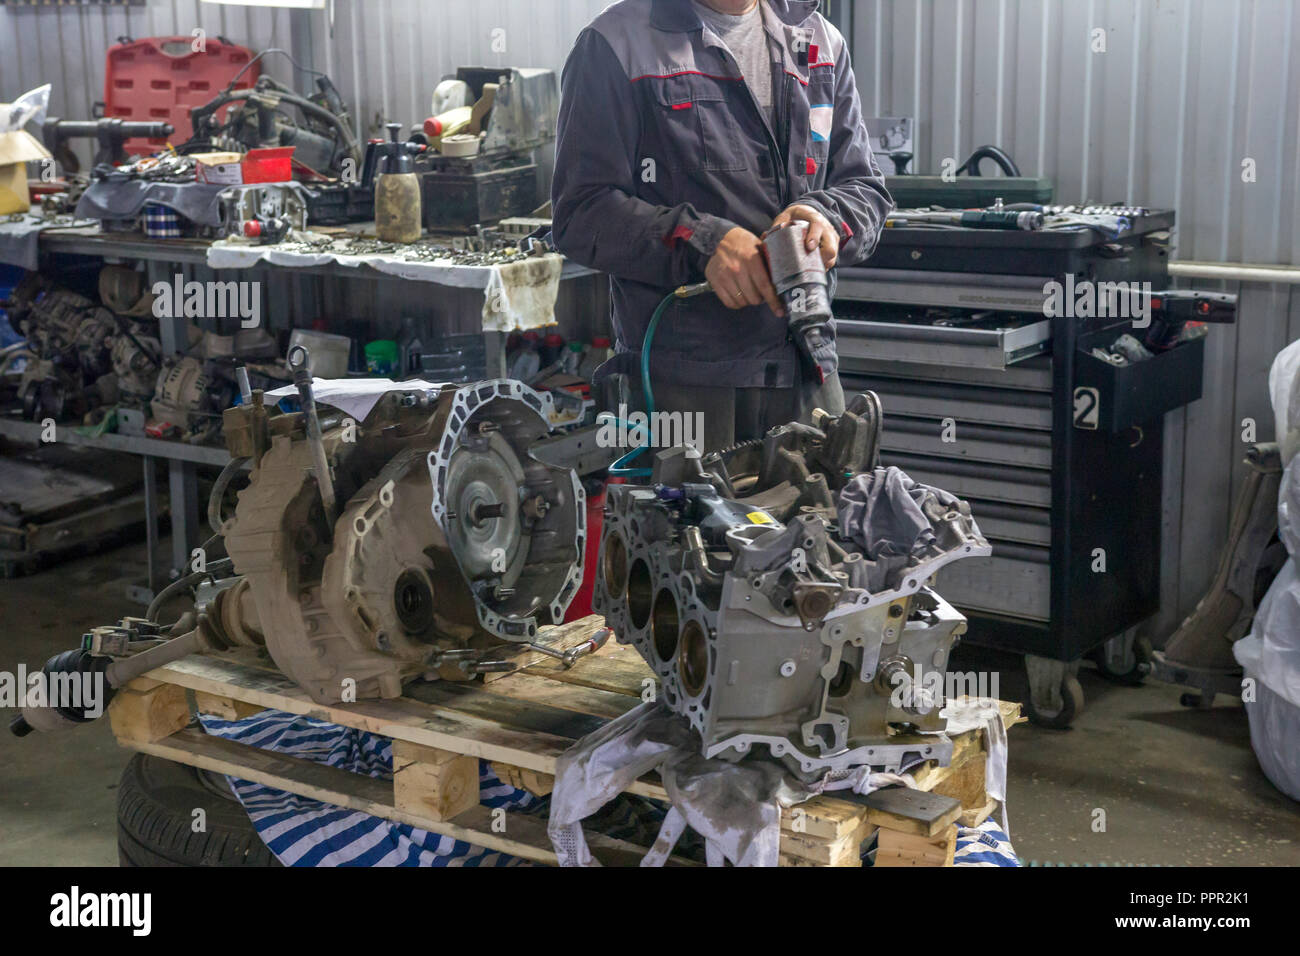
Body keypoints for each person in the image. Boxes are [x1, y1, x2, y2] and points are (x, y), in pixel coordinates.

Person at [552, 0, 893, 452]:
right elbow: (581, 212)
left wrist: (827, 217)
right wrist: (701, 241)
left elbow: (865, 188)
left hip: (807, 368)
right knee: (679, 521)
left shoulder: (820, 43)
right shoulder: (615, 44)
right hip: (680, 387)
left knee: (821, 519)